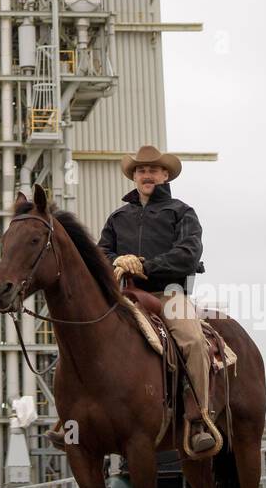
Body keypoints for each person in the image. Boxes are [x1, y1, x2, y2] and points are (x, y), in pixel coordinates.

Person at [48, 145, 216, 456]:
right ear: (134, 177)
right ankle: (68, 418)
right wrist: (118, 261)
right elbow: (99, 254)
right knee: (84, 337)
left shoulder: (182, 212)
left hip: (169, 294)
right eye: (141, 170)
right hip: (124, 296)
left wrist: (145, 264)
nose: (147, 174)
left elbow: (188, 254)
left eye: (153, 170)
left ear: (165, 175)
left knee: (192, 340)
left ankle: (198, 419)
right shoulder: (118, 217)